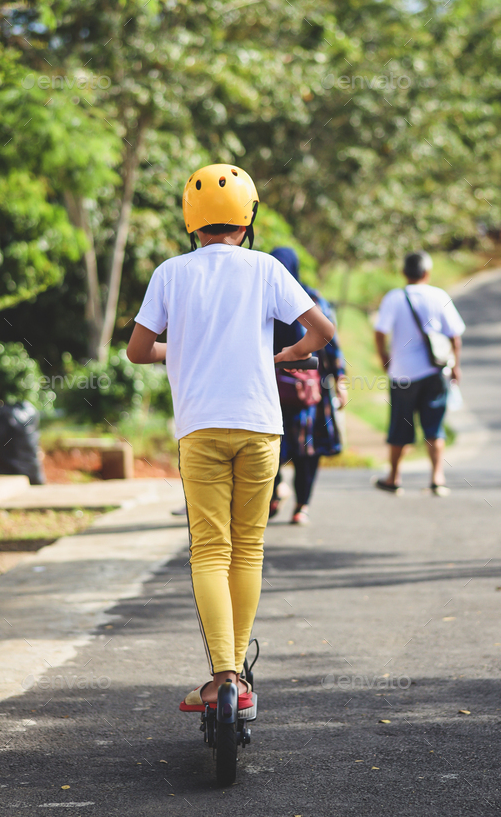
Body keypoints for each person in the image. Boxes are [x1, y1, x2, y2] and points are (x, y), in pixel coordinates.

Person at [127, 164, 334, 709]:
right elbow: (323, 332)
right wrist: (288, 354)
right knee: (249, 548)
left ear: (191, 222)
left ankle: (221, 678)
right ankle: (238, 681)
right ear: (249, 219)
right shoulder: (266, 269)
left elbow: (137, 351)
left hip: (201, 428)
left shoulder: (171, 273)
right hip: (262, 426)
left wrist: (181, 351)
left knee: (210, 550)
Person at [374, 251, 465, 496]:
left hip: (402, 374)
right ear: (427, 273)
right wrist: (455, 367)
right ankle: (437, 477)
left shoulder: (394, 298)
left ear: (404, 273)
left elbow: (380, 331)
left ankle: (394, 478)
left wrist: (384, 358)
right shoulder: (439, 295)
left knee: (399, 427)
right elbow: (454, 336)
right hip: (435, 371)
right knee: (434, 425)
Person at [269, 247, 348, 525]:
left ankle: (298, 503)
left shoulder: (308, 299)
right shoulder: (295, 298)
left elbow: (330, 341)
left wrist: (340, 381)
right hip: (289, 390)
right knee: (278, 447)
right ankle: (280, 495)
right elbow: (332, 342)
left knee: (298, 448)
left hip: (293, 389)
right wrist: (339, 381)